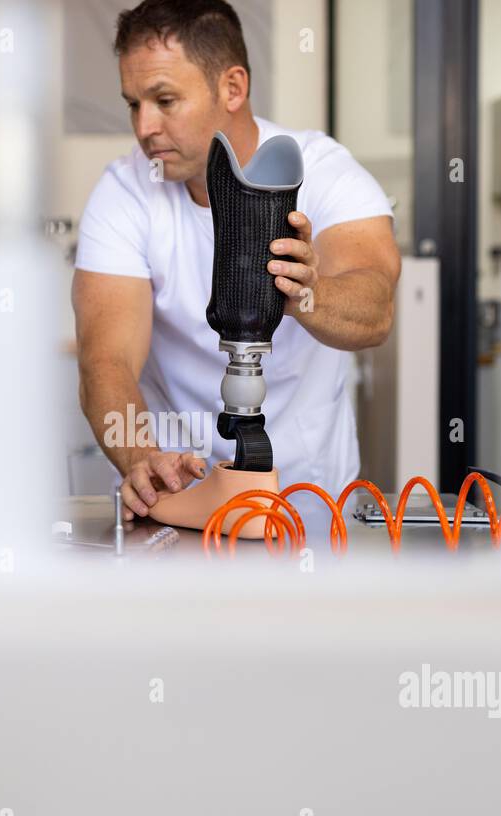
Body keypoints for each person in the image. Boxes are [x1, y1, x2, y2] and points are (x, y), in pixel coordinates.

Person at [73, 0, 400, 521]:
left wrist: (303, 291)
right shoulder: (124, 192)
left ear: (233, 88)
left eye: (164, 100)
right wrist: (141, 459)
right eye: (133, 104)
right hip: (179, 500)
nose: (144, 127)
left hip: (311, 504)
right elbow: (106, 360)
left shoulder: (325, 172)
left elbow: (375, 310)